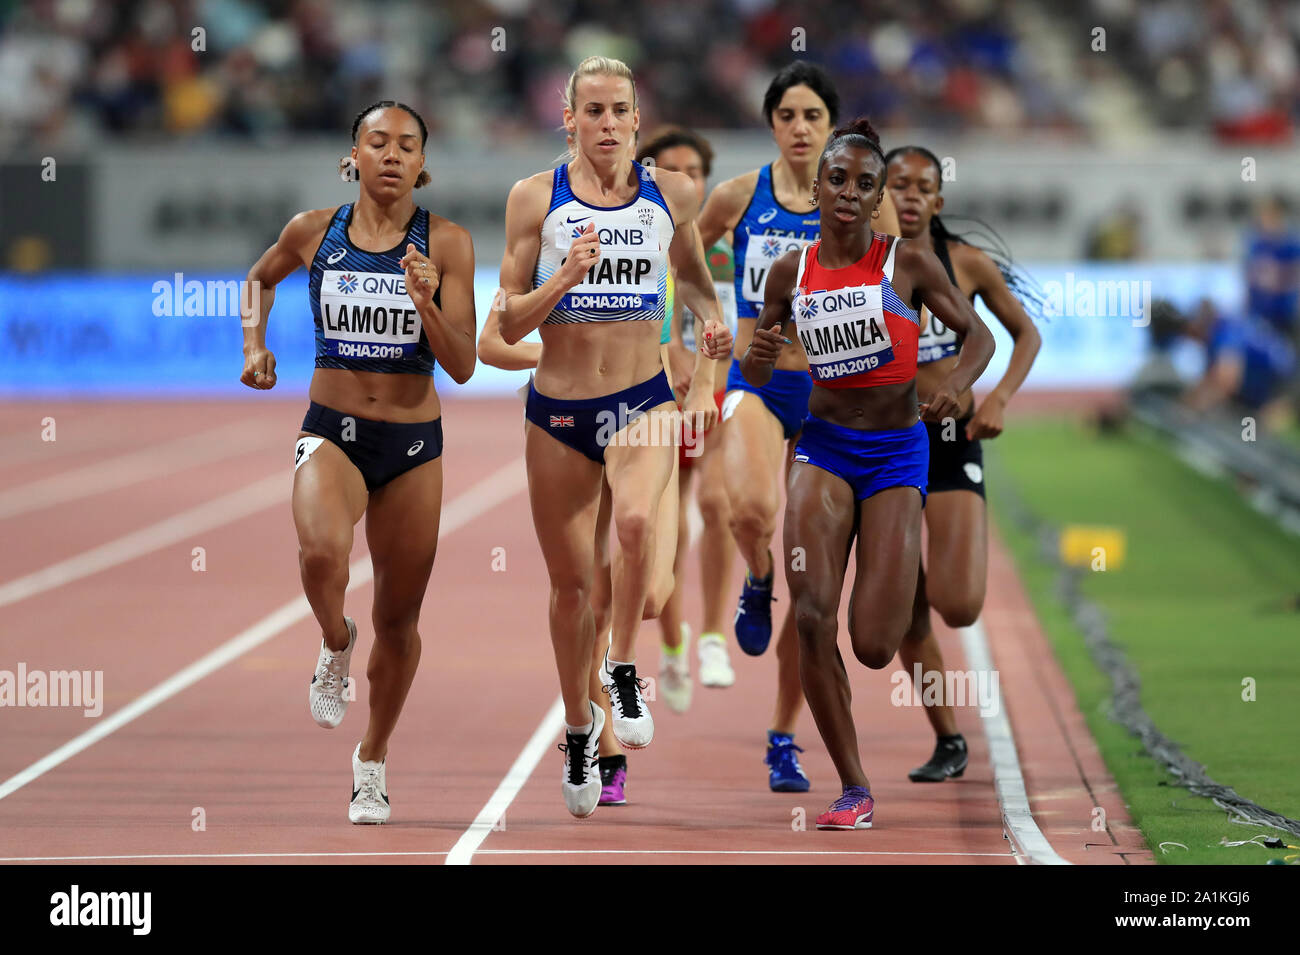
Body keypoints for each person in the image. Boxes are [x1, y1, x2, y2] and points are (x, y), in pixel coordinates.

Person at [741, 118, 994, 830]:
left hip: (895, 454)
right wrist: (758, 352)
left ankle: (869, 672)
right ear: (818, 185)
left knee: (875, 643)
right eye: (837, 179)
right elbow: (759, 368)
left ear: (878, 195)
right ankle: (853, 786)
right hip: (822, 448)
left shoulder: (906, 262)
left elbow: (979, 334)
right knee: (813, 616)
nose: (849, 194)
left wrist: (960, 385)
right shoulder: (791, 271)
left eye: (864, 184)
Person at [496, 56, 730, 818]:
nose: (604, 123)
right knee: (570, 590)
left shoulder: (672, 192)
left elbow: (692, 279)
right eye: (590, 110)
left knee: (635, 525)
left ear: (637, 118)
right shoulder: (535, 198)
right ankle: (576, 724)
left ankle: (623, 663)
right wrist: (562, 280)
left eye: (617, 110)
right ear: (568, 119)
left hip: (641, 401)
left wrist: (710, 323)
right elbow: (505, 322)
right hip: (560, 411)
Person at [239, 101, 477, 824]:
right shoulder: (314, 232)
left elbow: (463, 365)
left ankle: (371, 759)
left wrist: (427, 301)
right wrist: (254, 345)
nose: (394, 154)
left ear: (422, 164)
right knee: (319, 554)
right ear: (355, 155)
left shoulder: (450, 243)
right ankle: (334, 639)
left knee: (399, 619)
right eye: (379, 142)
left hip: (412, 443)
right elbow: (258, 278)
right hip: (332, 429)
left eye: (408, 145)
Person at [697, 61, 900, 792]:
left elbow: (896, 290)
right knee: (747, 509)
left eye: (814, 115)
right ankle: (754, 579)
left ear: (832, 124)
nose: (801, 128)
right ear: (772, 123)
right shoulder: (738, 195)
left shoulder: (865, 204)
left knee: (812, 582)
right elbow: (684, 252)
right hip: (758, 378)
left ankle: (784, 734)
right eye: (788, 115)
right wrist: (707, 322)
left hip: (831, 395)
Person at [884, 145, 1042, 782]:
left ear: (939, 202)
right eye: (898, 185)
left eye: (924, 187)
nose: (911, 196)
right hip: (885, 448)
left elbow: (1025, 333)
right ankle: (948, 737)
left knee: (958, 604)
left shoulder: (967, 265)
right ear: (877, 194)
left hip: (950, 443)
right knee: (902, 605)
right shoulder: (860, 266)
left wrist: (999, 395)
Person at [635, 125, 741, 713]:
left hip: (721, 397)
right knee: (663, 533)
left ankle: (711, 636)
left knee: (720, 508)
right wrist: (669, 361)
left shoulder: (728, 243)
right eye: (669, 170)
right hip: (662, 399)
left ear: (707, 179)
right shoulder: (643, 238)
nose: (684, 180)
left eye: (694, 171)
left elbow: (743, 317)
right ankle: (673, 641)